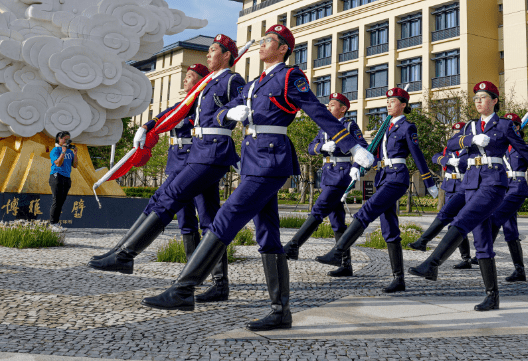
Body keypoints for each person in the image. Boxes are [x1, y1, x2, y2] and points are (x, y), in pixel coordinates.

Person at [142, 24, 375, 332]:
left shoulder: (291, 77)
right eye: (262, 39)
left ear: (283, 49)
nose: (262, 44)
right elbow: (219, 111)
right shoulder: (254, 83)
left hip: (271, 159)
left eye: (270, 41)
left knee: (226, 216)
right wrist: (226, 114)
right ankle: (280, 310)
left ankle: (184, 290)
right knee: (267, 234)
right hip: (253, 159)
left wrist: (351, 145)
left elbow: (318, 111)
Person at [88, 33, 244, 301]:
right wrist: (150, 125)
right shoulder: (208, 82)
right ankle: (219, 283)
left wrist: (229, 112)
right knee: (208, 220)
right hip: (200, 152)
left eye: (213, 50)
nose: (208, 55)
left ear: (227, 54)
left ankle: (126, 254)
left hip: (213, 152)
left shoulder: (232, 80)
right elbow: (179, 109)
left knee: (168, 196)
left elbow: (243, 103)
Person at [408, 82, 528, 312]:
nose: (478, 101)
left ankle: (432, 264)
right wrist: (469, 141)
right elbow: (450, 145)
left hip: (493, 183)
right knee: (482, 243)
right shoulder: (470, 127)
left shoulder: (505, 125)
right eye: (476, 97)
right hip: (470, 183)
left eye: (483, 97)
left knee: (460, 221)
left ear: (495, 100)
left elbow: (525, 149)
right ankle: (492, 296)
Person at [316, 88, 438, 292]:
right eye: (387, 101)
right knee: (389, 226)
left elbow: (417, 155)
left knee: (364, 212)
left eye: (393, 101)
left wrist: (428, 181)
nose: (388, 104)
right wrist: (357, 167)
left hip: (397, 178)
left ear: (404, 105)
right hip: (383, 176)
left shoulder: (408, 127)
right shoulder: (385, 127)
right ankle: (398, 279)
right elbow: (373, 153)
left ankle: (338, 252)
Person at [89, 63, 207, 266]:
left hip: (192, 165)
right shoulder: (183, 104)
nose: (185, 79)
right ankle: (121, 251)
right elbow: (165, 116)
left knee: (201, 217)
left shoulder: (201, 104)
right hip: (177, 164)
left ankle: (199, 270)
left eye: (190, 76)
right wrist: (146, 126)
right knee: (183, 217)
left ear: (200, 81)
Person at [282, 92, 366, 260]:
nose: (328, 107)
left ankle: (294, 246)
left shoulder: (349, 126)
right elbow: (310, 147)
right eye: (328, 104)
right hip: (328, 173)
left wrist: (356, 167)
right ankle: (344, 263)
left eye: (332, 105)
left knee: (318, 209)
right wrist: (322, 147)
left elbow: (363, 147)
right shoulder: (325, 126)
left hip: (341, 173)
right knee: (337, 219)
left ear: (343, 109)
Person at [488, 112, 528, 283]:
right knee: (510, 229)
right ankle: (520, 270)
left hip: (517, 187)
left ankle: (484, 249)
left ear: (517, 127)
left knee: (496, 217)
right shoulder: (500, 146)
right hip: (501, 187)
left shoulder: (523, 146)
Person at [408, 122, 474, 270]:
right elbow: (435, 157)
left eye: (459, 131)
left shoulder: (470, 149)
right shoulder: (449, 148)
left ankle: (423, 241)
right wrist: (447, 160)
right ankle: (466, 259)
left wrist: (460, 162)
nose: (456, 134)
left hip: (463, 186)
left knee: (450, 218)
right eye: (454, 131)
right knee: (455, 224)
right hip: (450, 187)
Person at [48, 131, 75, 226]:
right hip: (57, 176)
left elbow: (75, 165)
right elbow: (58, 163)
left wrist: (75, 154)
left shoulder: (69, 152)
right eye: (65, 139)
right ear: (59, 139)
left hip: (66, 177)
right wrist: (63, 151)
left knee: (61, 201)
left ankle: (56, 222)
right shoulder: (55, 150)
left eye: (68, 139)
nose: (67, 141)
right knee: (57, 200)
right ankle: (52, 223)